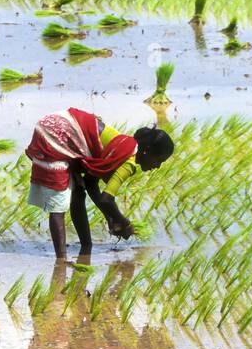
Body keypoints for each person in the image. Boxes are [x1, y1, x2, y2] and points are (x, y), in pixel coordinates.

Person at [25, 107, 174, 259]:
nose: (157, 166)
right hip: (57, 133)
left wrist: (110, 218)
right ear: (147, 151)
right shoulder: (129, 161)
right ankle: (61, 260)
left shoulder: (123, 144)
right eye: (158, 160)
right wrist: (124, 223)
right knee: (58, 204)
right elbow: (106, 199)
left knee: (78, 193)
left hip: (56, 122)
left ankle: (86, 246)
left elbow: (90, 183)